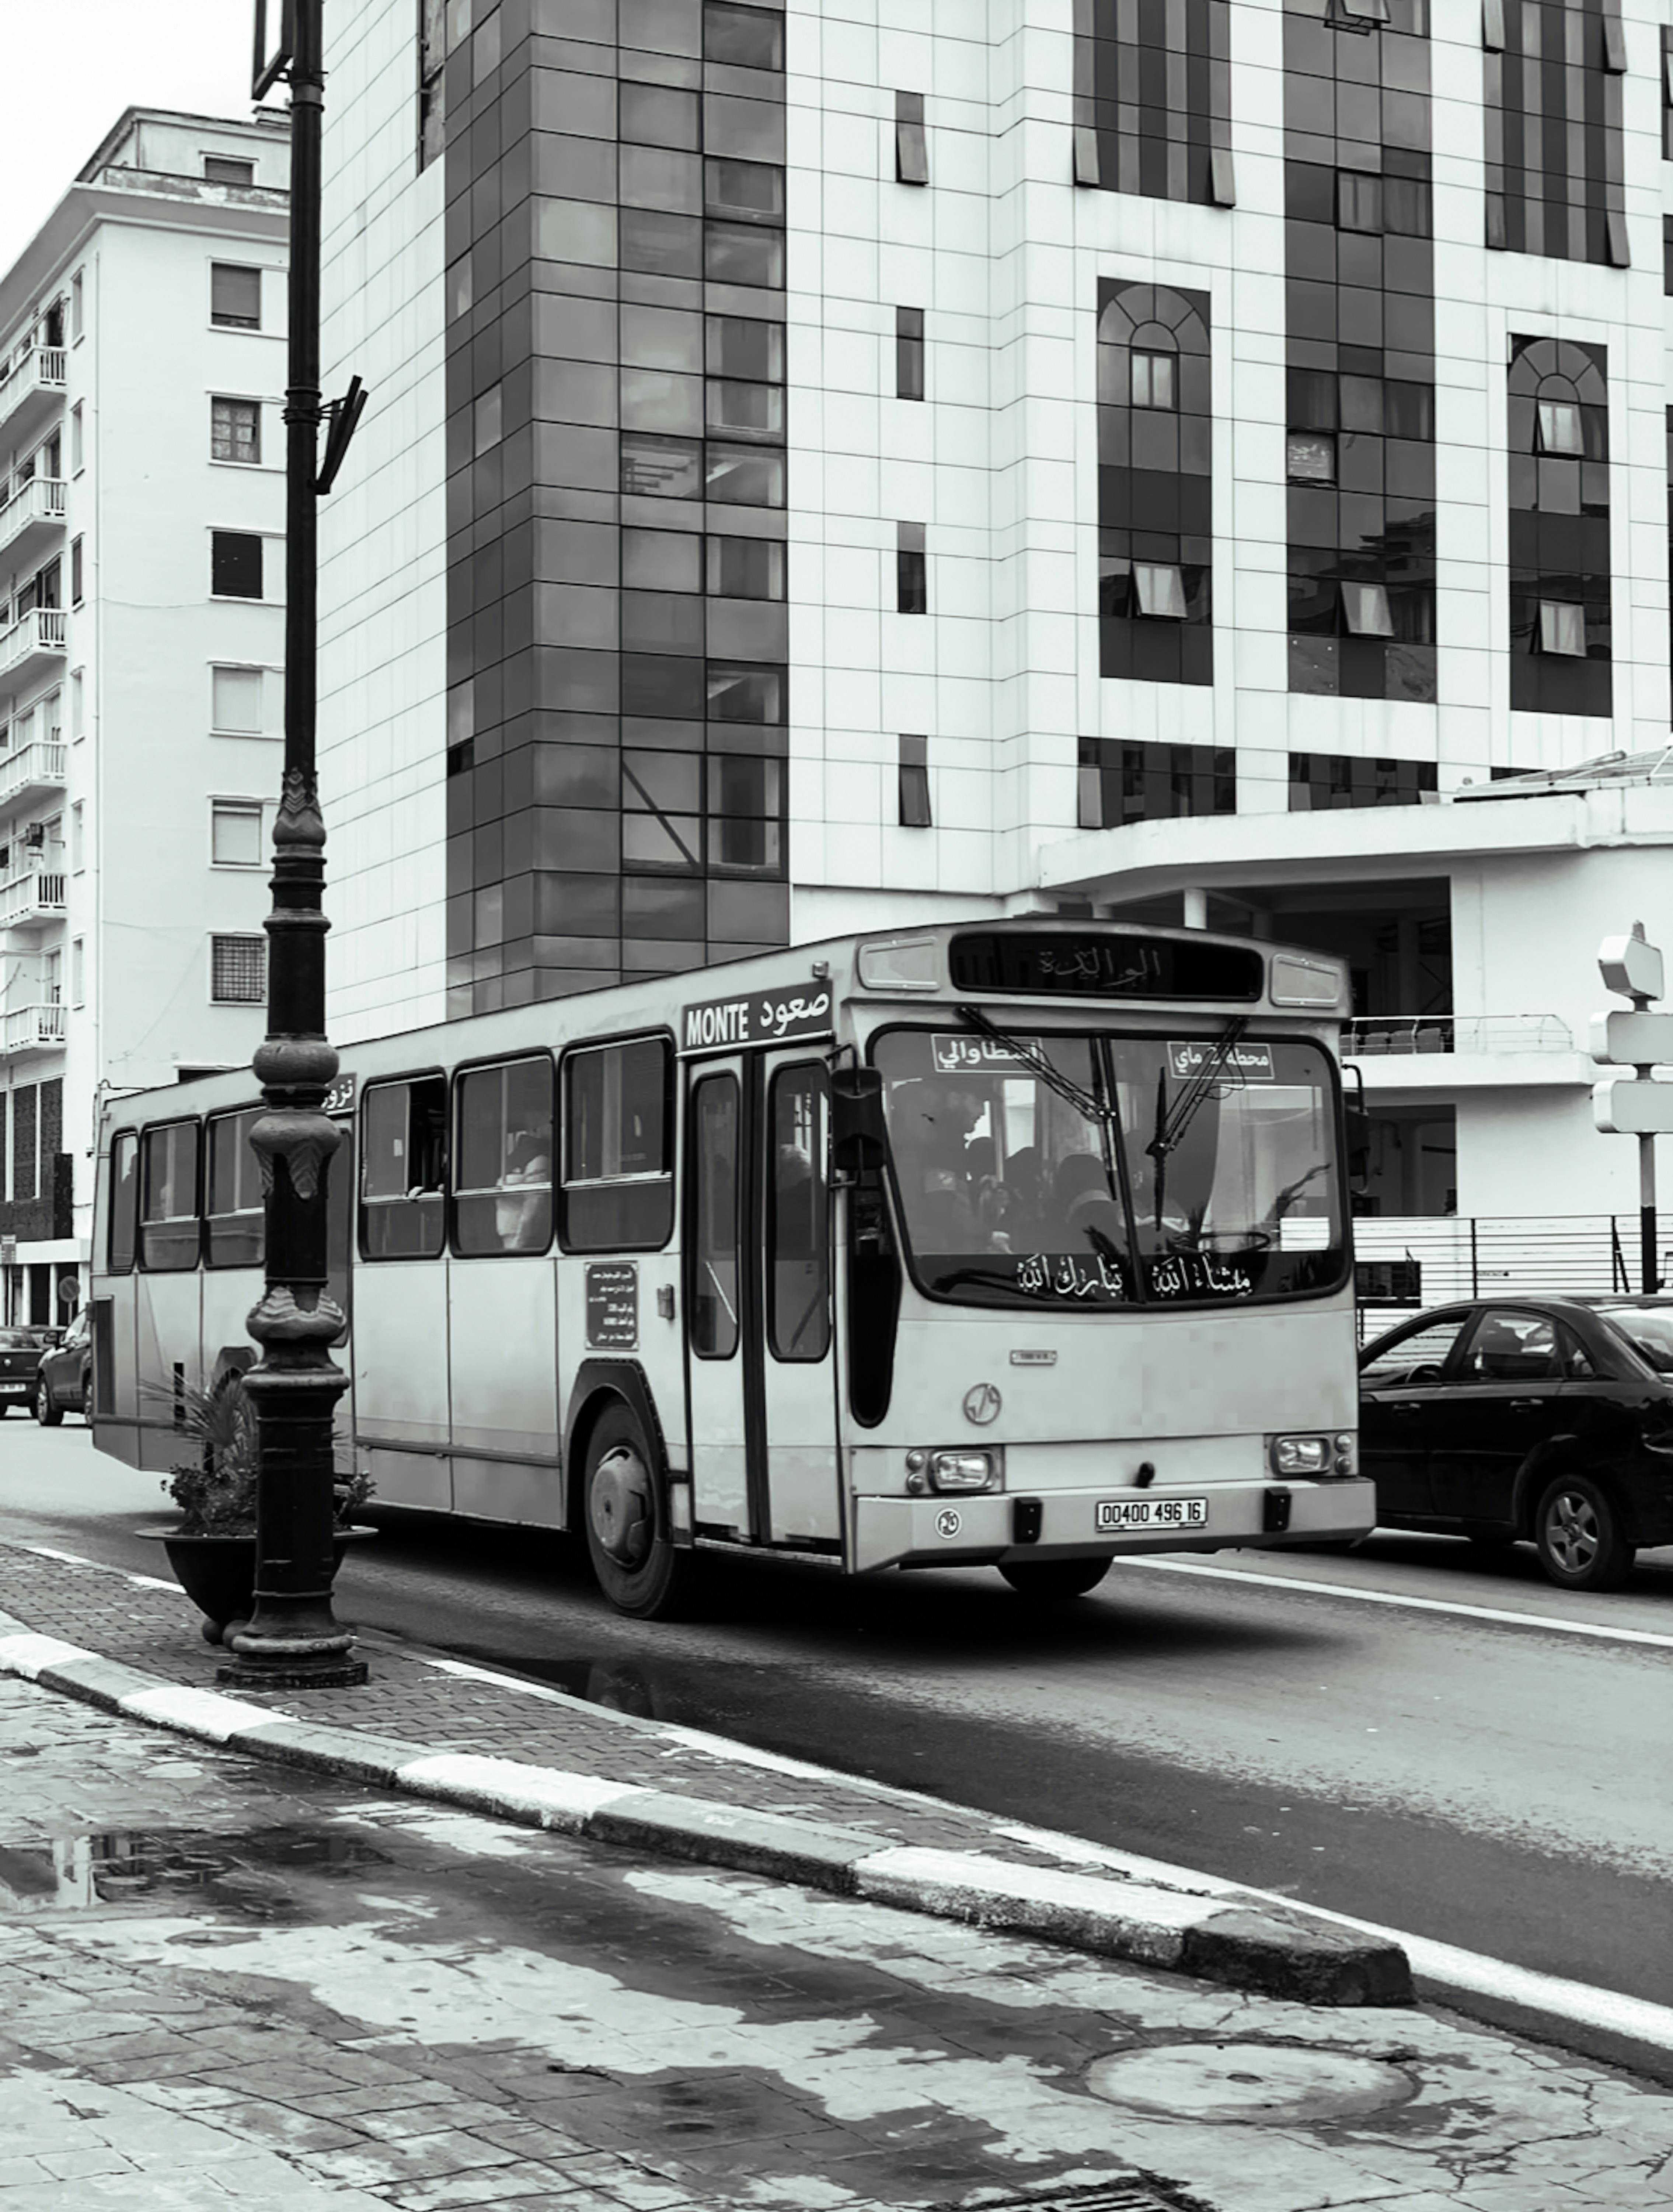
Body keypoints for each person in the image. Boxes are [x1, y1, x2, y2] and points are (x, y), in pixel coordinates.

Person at [494, 1123, 552, 1251]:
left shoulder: (538, 1160)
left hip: (522, 1238)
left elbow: (535, 1206)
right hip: (511, 1234)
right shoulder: (521, 1158)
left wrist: (520, 1242)